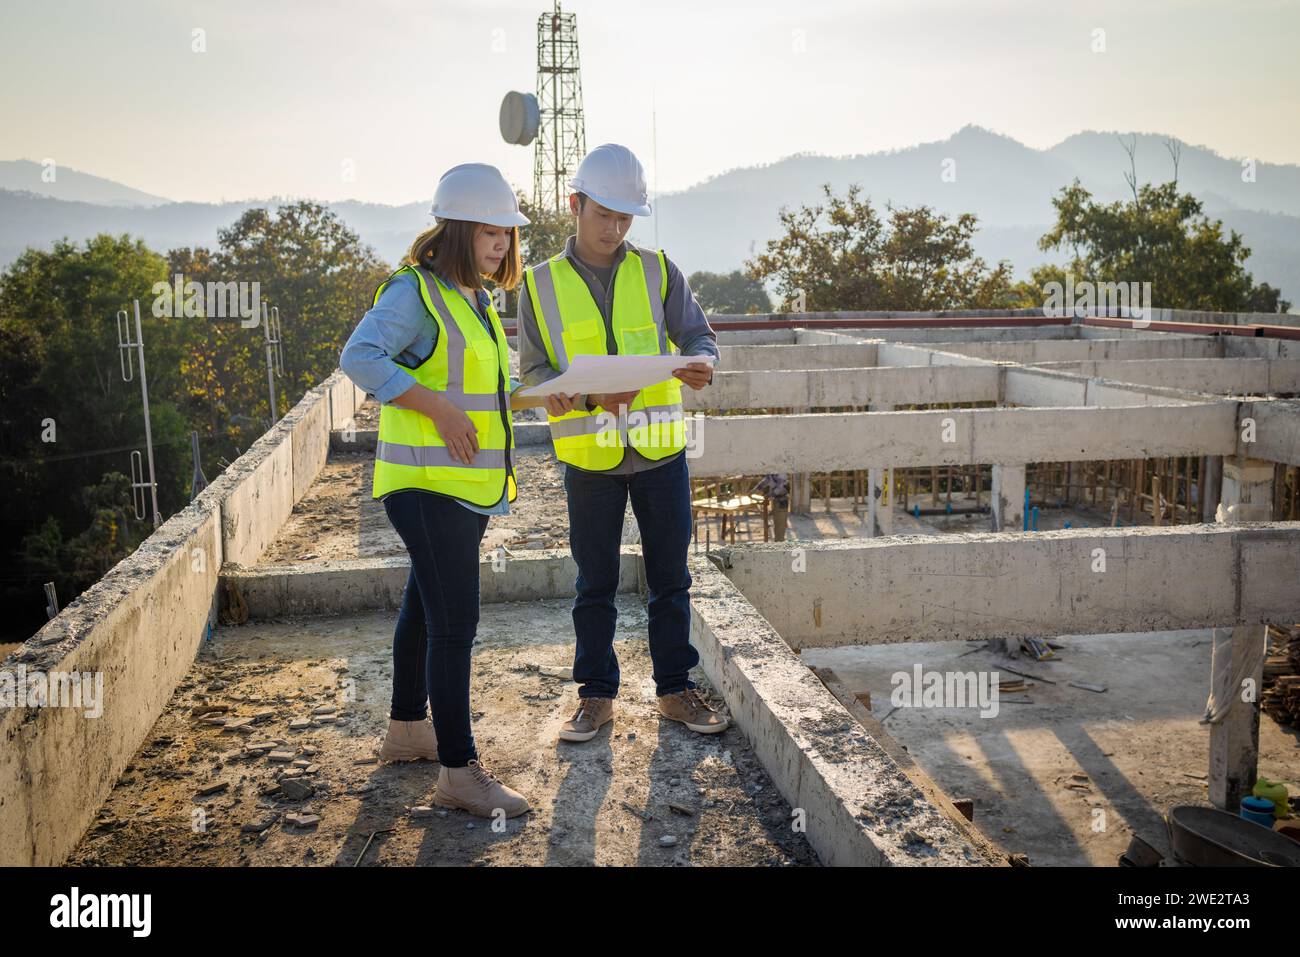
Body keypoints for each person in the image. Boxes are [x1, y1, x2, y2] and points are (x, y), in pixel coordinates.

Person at [339, 163, 563, 819]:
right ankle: (459, 773)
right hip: (425, 485)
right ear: (458, 230)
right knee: (455, 623)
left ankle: (410, 726)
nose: (501, 246)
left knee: (424, 604)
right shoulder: (415, 292)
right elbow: (360, 356)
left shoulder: (475, 300)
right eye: (490, 233)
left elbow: (484, 391)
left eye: (507, 235)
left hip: (462, 488)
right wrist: (435, 407)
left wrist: (550, 392)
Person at [518, 143, 730, 743]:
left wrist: (702, 363)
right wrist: (569, 396)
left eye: (625, 217)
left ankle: (675, 691)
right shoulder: (539, 285)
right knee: (595, 583)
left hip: (659, 451)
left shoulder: (659, 270)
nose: (615, 228)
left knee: (671, 578)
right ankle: (595, 698)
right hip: (590, 459)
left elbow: (698, 336)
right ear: (575, 204)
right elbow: (532, 372)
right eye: (604, 214)